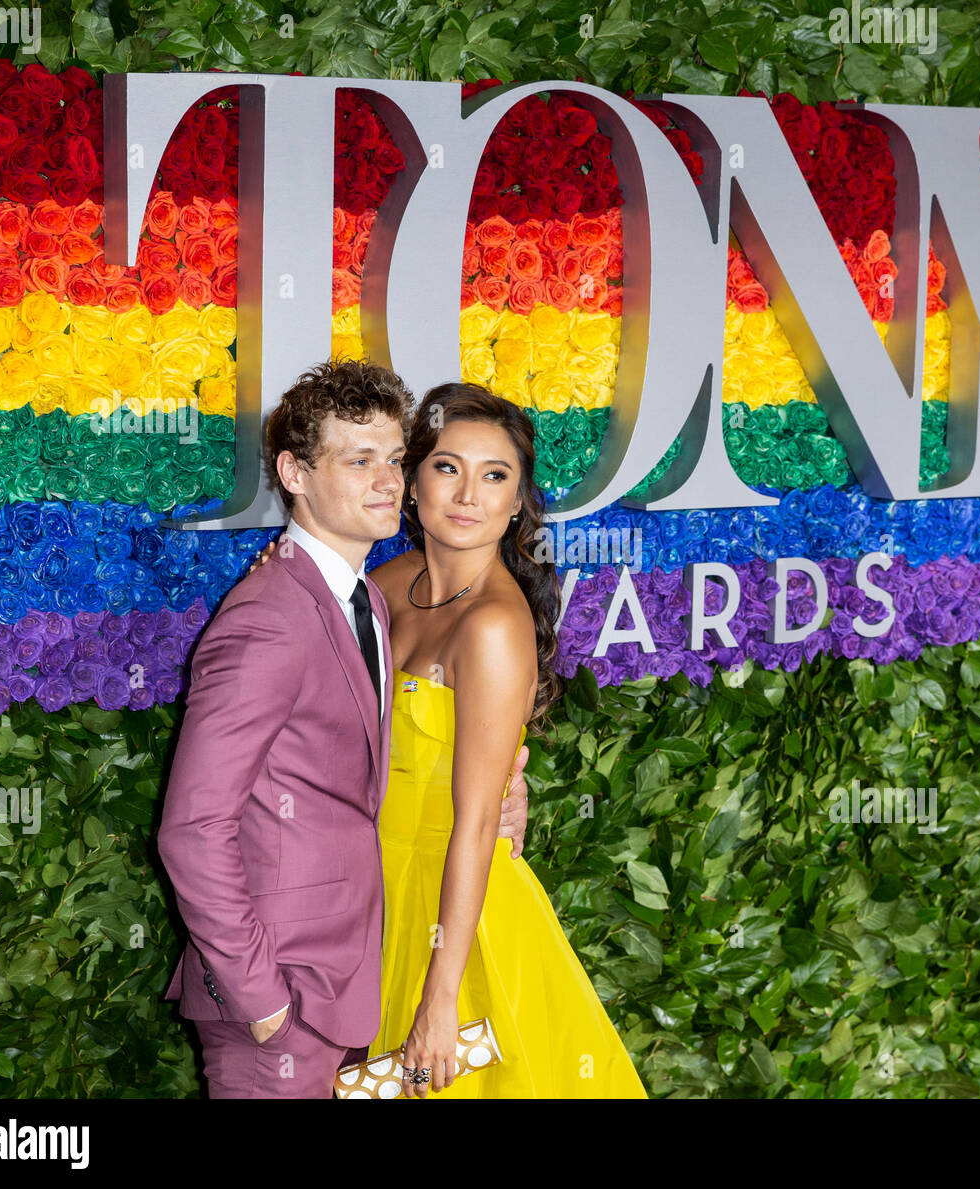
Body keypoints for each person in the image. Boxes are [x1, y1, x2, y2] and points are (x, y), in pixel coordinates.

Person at [254, 381, 648, 1097]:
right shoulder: (382, 584)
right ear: (411, 482)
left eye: (495, 475)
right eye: (447, 467)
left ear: (516, 500)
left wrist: (441, 998)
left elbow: (473, 825)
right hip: (366, 894)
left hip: (452, 915)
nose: (469, 494)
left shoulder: (495, 627)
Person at [157, 359, 531, 1098]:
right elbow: (192, 828)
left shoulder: (365, 596)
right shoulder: (272, 618)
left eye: (394, 459)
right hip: (283, 992)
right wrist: (263, 1000)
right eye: (360, 461)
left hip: (352, 967)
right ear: (294, 474)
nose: (387, 481)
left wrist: (508, 790)